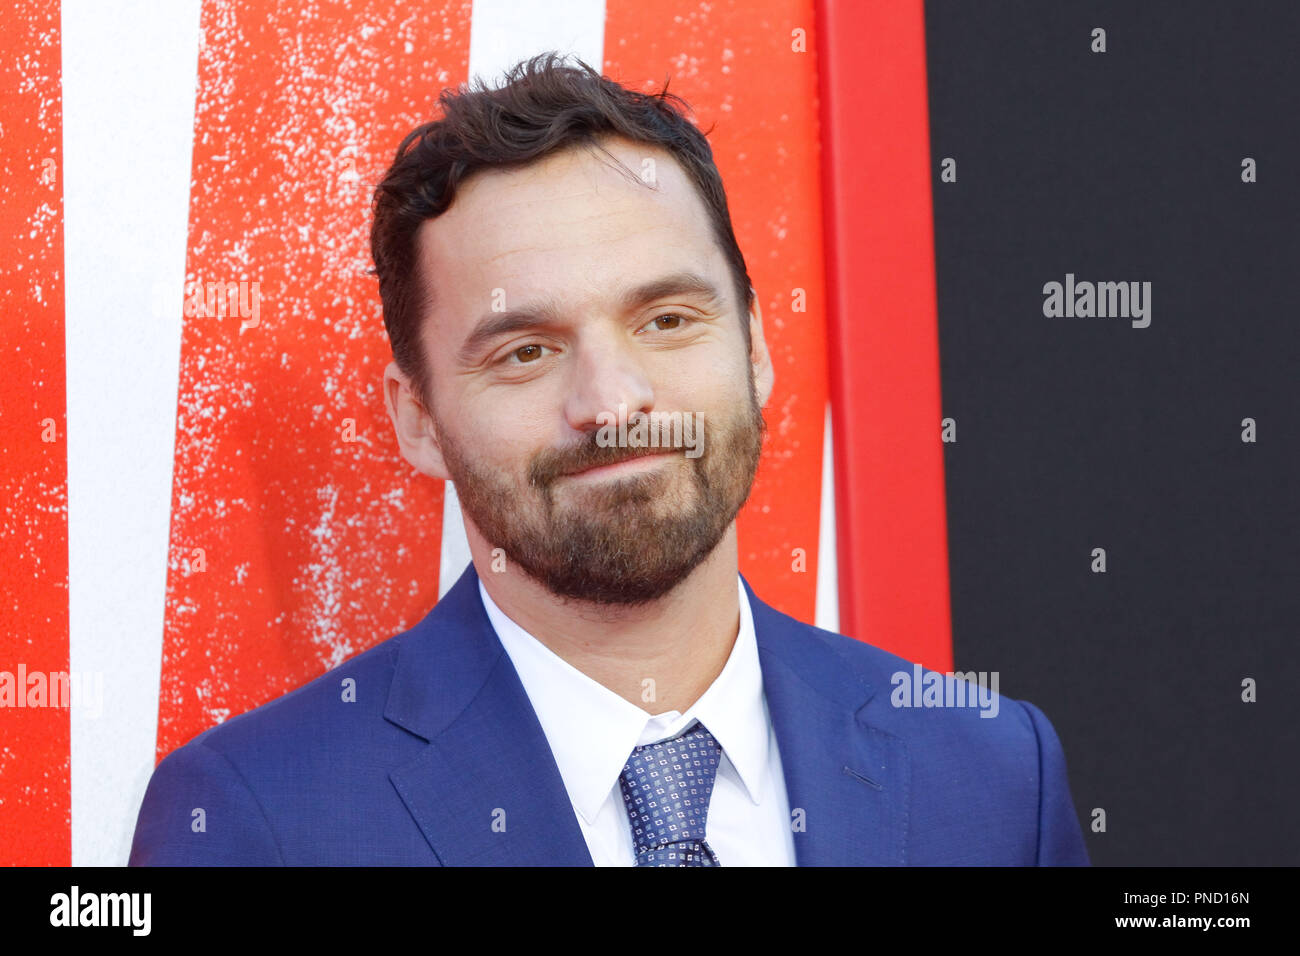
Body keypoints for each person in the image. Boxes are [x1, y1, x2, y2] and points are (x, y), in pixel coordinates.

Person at [130, 52, 1089, 866]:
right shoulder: (258, 821)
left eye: (667, 320)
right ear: (417, 415)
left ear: (754, 350)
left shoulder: (994, 775)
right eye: (526, 351)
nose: (612, 403)